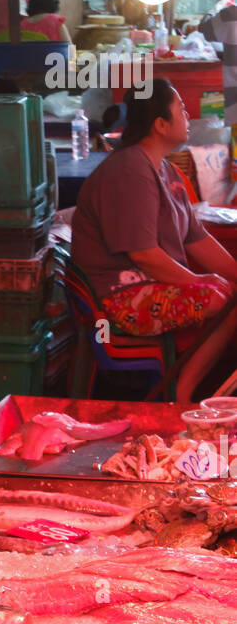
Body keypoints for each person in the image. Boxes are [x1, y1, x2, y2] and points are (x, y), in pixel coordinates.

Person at [71, 79, 237, 400]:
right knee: (220, 298)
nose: (187, 116)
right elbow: (144, 254)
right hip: (120, 297)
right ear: (161, 124)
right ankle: (180, 395)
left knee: (227, 291)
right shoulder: (130, 170)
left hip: (153, 287)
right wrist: (201, 283)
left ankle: (197, 393)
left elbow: (197, 239)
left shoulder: (168, 171)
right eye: (181, 110)